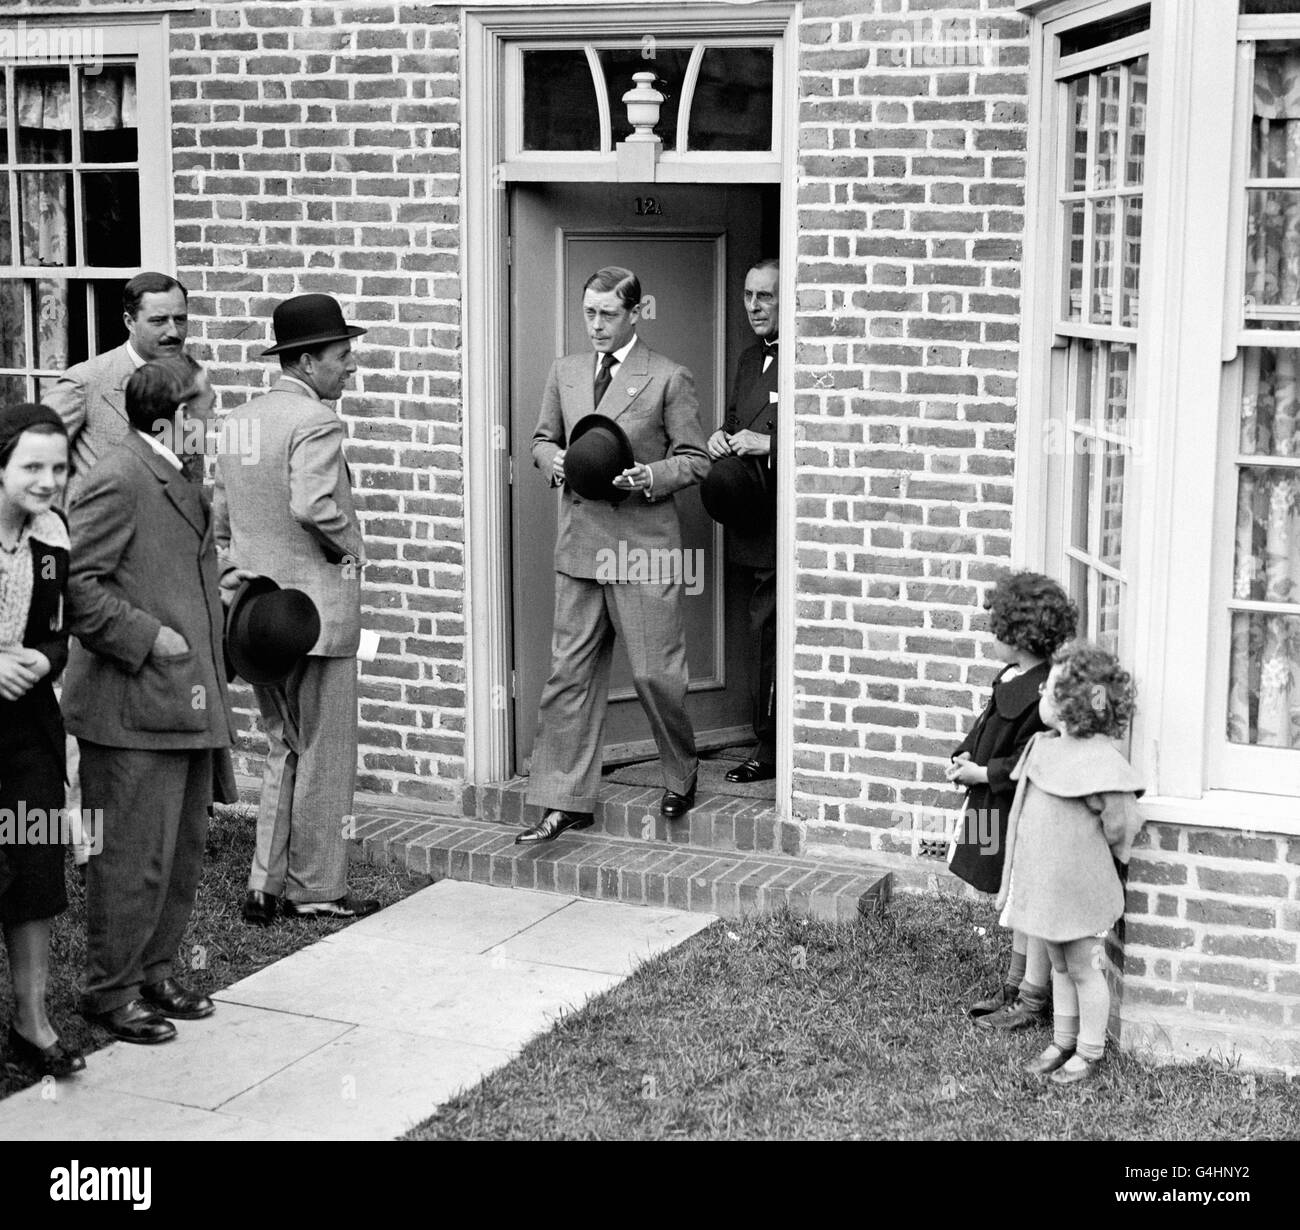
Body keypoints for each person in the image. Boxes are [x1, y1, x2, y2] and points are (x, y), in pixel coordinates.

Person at [63, 356, 233, 1045]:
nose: (216, 420)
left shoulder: (179, 473)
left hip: (185, 701)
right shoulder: (119, 477)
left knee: (181, 851)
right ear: (173, 419)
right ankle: (111, 992)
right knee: (130, 857)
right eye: (207, 408)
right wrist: (150, 637)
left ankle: (156, 971)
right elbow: (76, 586)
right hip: (132, 705)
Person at [516, 266, 711, 844]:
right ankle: (563, 800)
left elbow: (697, 459)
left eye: (606, 314)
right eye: (589, 313)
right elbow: (541, 437)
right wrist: (548, 459)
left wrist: (648, 475)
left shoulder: (669, 376)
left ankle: (682, 771)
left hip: (643, 549)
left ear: (634, 314)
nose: (595, 325)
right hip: (580, 545)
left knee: (654, 672)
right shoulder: (567, 372)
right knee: (568, 674)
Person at [213, 293, 378, 924]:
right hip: (316, 617)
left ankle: (264, 884)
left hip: (258, 619)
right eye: (342, 356)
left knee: (284, 745)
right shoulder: (317, 423)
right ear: (307, 361)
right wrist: (354, 546)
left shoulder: (238, 422)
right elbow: (313, 505)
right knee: (327, 753)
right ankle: (317, 890)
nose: (351, 367)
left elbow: (222, 522)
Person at [997, 641, 1144, 1085]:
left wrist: (1115, 859)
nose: (1041, 692)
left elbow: (1122, 822)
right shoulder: (1043, 748)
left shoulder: (1101, 763)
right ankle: (1062, 1040)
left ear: (1071, 705)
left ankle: (1089, 1049)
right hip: (1047, 887)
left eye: (1049, 688)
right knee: (1059, 964)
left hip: (1081, 888)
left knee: (1083, 967)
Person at [945, 571, 1077, 1029]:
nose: (991, 637)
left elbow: (1030, 755)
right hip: (987, 800)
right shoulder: (1011, 674)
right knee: (1007, 892)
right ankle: (1014, 984)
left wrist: (984, 771)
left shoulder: (1045, 692)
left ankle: (1030, 999)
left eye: (996, 629)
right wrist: (965, 753)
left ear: (1018, 637)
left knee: (1023, 894)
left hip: (1015, 805)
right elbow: (987, 725)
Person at [0, 403, 84, 1078]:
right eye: (31, 466)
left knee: (32, 871)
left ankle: (31, 1020)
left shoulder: (52, 538)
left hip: (27, 731)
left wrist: (44, 661)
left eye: (57, 466)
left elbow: (58, 629)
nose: (47, 480)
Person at [707, 258, 780, 784]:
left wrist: (769, 444)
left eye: (767, 297)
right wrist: (720, 436)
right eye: (748, 295)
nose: (753, 307)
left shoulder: (805, 358)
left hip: (785, 525)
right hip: (750, 523)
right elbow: (735, 422)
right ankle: (766, 741)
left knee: (776, 636)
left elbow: (825, 439)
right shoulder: (749, 358)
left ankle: (772, 750)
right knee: (761, 633)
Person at [43, 272, 194, 496]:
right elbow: (38, 458)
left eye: (180, 319)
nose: (173, 332)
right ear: (129, 322)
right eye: (158, 321)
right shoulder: (85, 381)